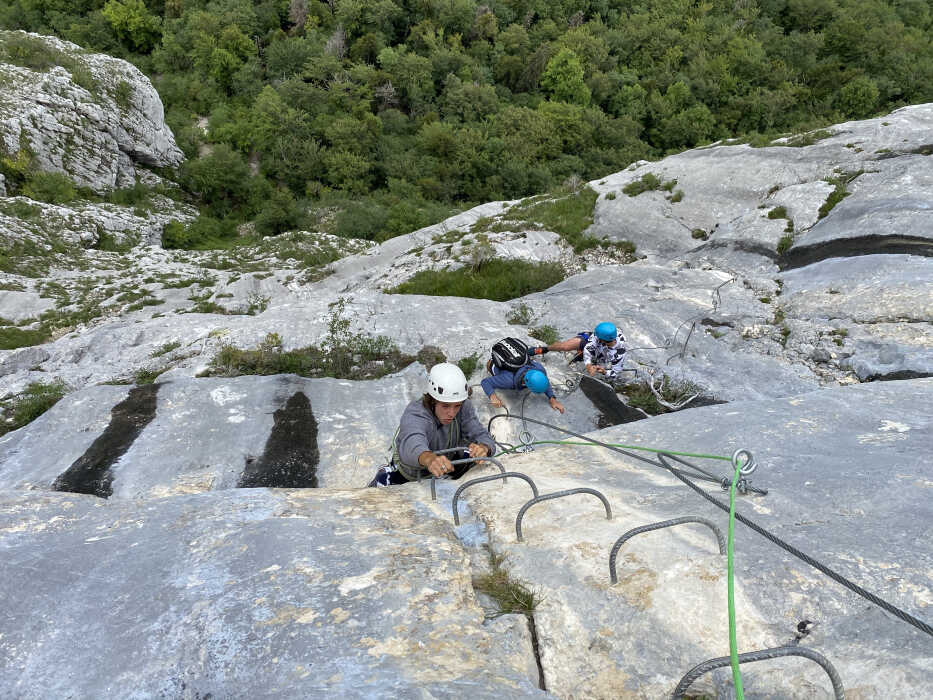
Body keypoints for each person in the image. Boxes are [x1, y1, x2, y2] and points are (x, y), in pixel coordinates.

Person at [368, 363, 497, 487]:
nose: (452, 413)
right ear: (433, 400)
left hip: (444, 464)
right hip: (411, 474)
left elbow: (480, 434)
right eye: (445, 406)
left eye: (457, 405)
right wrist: (429, 459)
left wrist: (484, 448)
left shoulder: (464, 407)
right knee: (382, 483)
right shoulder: (416, 413)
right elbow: (413, 442)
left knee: (471, 456)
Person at [529, 322, 627, 381]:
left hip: (601, 356)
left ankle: (580, 357)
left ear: (603, 340)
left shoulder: (619, 352)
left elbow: (616, 372)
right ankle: (545, 349)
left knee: (577, 365)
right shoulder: (599, 336)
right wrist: (588, 366)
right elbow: (588, 349)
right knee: (565, 346)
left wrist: (604, 371)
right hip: (590, 343)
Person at [481, 358, 565, 413]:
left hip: (517, 363)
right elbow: (485, 382)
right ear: (526, 384)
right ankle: (491, 366)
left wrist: (552, 398)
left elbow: (543, 382)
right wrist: (493, 397)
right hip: (494, 363)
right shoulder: (508, 381)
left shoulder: (539, 369)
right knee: (491, 367)